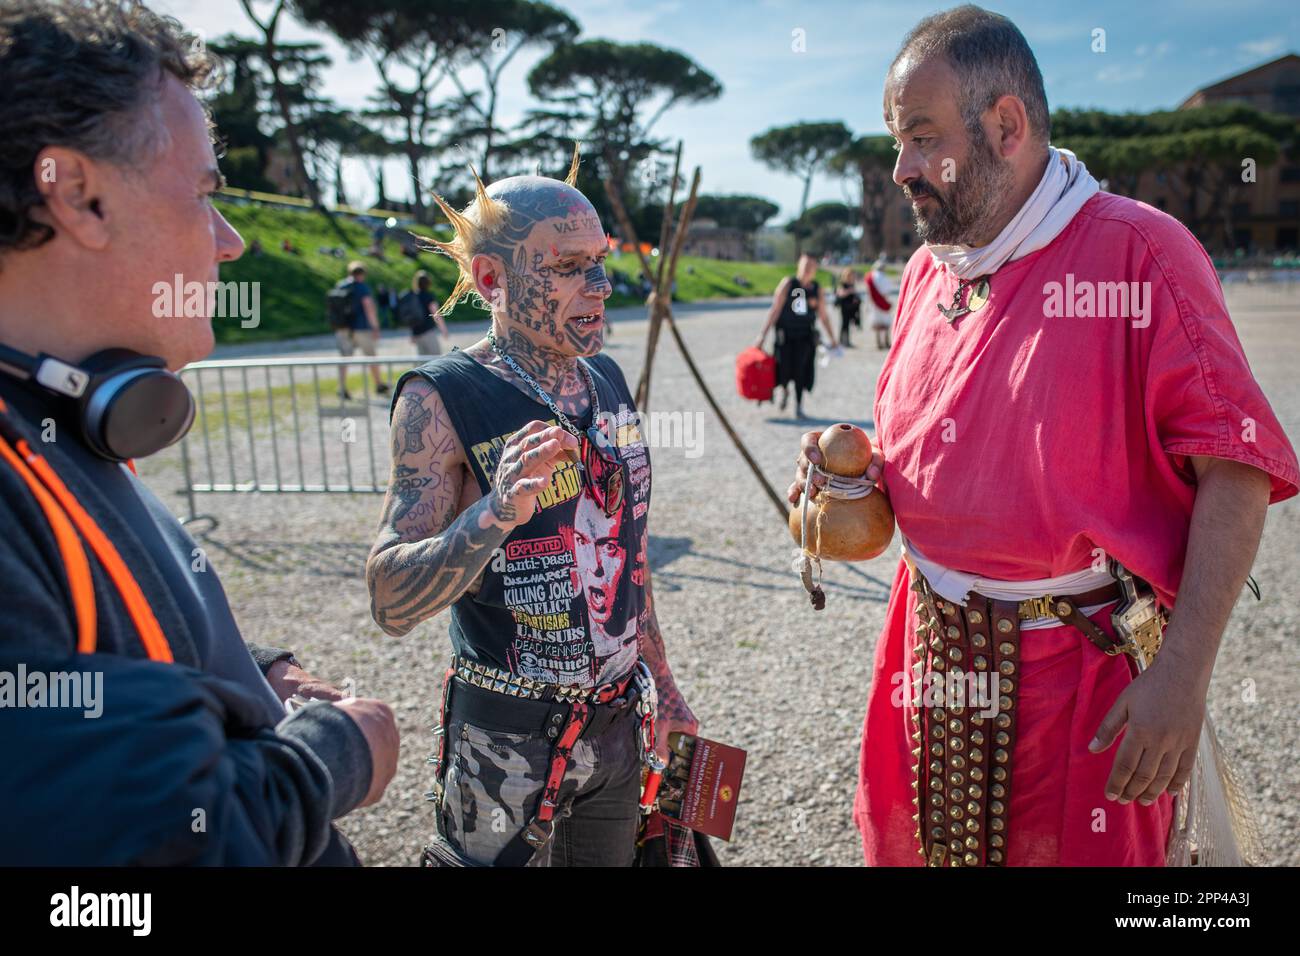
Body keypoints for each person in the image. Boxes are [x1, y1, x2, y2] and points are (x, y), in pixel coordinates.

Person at [792, 5, 1298, 868]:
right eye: (894, 142)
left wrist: (1182, 677)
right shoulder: (926, 270)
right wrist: (854, 478)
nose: (900, 169)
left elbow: (1238, 471)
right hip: (924, 653)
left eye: (920, 138)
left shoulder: (1143, 253)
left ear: (1006, 124)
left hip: (1079, 680)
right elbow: (940, 446)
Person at [0, 0, 399, 865]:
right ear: (76, 195)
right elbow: (123, 855)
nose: (231, 241)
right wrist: (335, 756)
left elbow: (92, 644)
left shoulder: (62, 417)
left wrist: (252, 671)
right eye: (206, 194)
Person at [366, 150, 696, 867]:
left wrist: (665, 690)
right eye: (570, 267)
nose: (602, 287)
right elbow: (389, 600)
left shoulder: (606, 379)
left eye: (602, 263)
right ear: (492, 278)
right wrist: (494, 513)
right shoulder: (441, 396)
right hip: (506, 747)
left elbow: (630, 555)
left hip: (615, 729)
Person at [754, 251, 839, 419]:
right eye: (805, 265)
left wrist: (832, 338)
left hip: (805, 336)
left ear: (815, 269)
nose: (808, 269)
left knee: (801, 370)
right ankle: (784, 390)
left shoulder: (816, 289)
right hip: (785, 335)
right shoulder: (788, 283)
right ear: (799, 265)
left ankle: (799, 405)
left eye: (811, 266)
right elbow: (775, 309)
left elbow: (823, 315)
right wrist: (762, 335)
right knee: (783, 369)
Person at [330, 261, 389, 401]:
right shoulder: (362, 288)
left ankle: (342, 388)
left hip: (343, 328)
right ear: (362, 274)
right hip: (361, 328)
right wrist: (375, 327)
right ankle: (379, 384)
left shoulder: (340, 285)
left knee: (344, 357)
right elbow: (368, 307)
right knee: (371, 356)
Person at [399, 269, 449, 356]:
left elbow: (411, 315)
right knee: (435, 359)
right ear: (428, 283)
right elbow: (436, 314)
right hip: (428, 332)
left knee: (422, 363)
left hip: (417, 333)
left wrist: (412, 334)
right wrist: (443, 329)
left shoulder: (412, 296)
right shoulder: (429, 296)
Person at [866, 257, 894, 350]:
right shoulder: (883, 277)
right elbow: (887, 290)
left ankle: (878, 342)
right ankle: (886, 341)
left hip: (874, 303)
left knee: (877, 322)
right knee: (886, 323)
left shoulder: (871, 276)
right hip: (883, 301)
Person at [834, 267, 861, 348]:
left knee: (848, 324)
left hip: (851, 307)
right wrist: (849, 291)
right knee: (844, 324)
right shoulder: (842, 284)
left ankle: (847, 341)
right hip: (844, 306)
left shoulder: (852, 284)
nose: (852, 277)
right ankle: (842, 341)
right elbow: (840, 294)